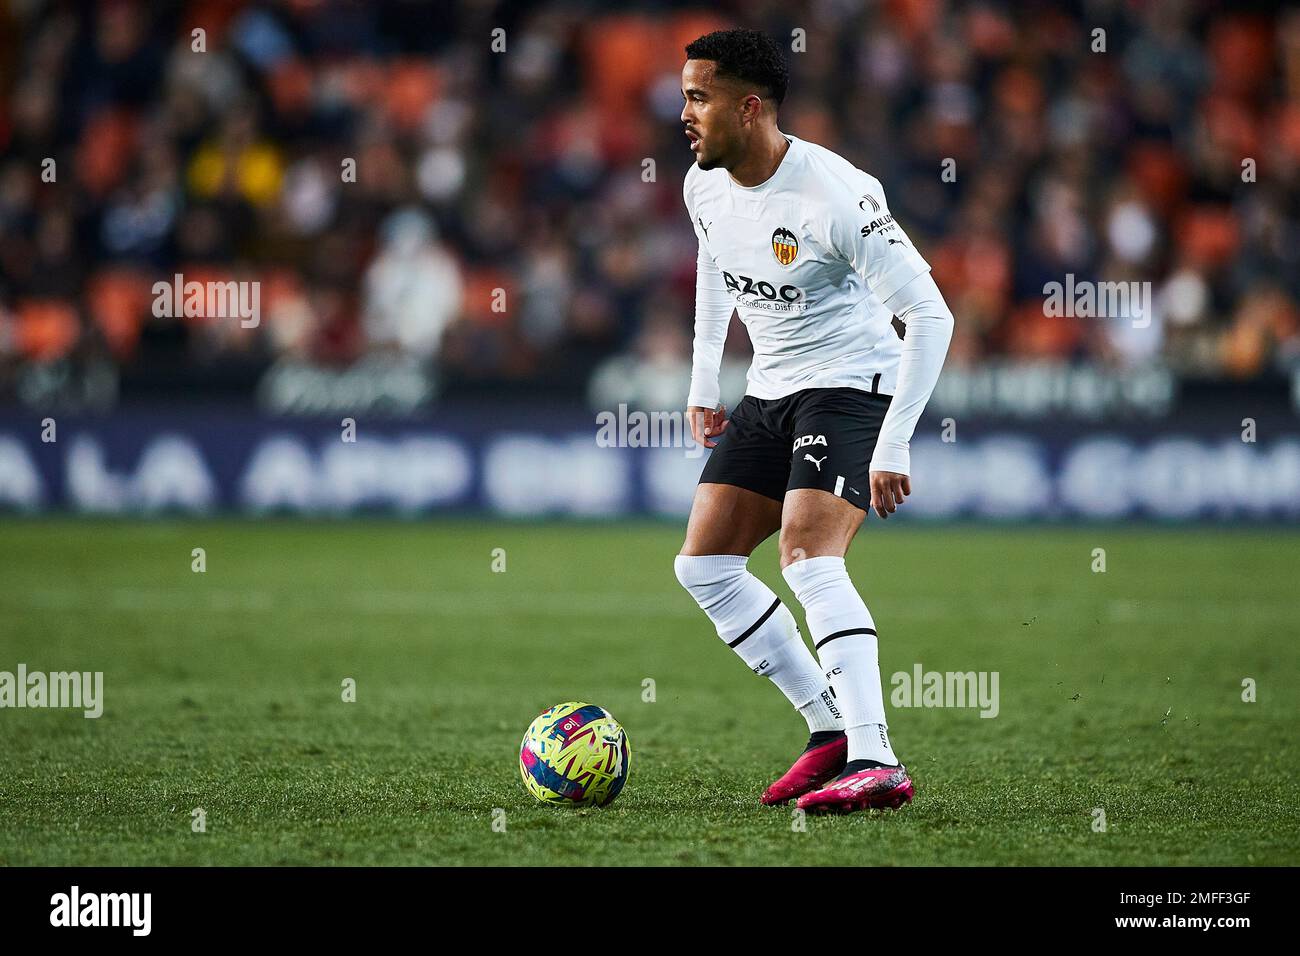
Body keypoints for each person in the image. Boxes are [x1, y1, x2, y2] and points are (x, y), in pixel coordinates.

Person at [672, 29, 955, 814]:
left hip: (850, 388)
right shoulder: (705, 186)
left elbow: (931, 317)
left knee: (806, 557)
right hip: (770, 390)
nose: (684, 114)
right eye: (684, 95)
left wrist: (893, 439)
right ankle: (827, 731)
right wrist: (704, 382)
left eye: (699, 97)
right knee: (704, 567)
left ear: (749, 106)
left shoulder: (835, 194)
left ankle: (877, 758)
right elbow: (713, 270)